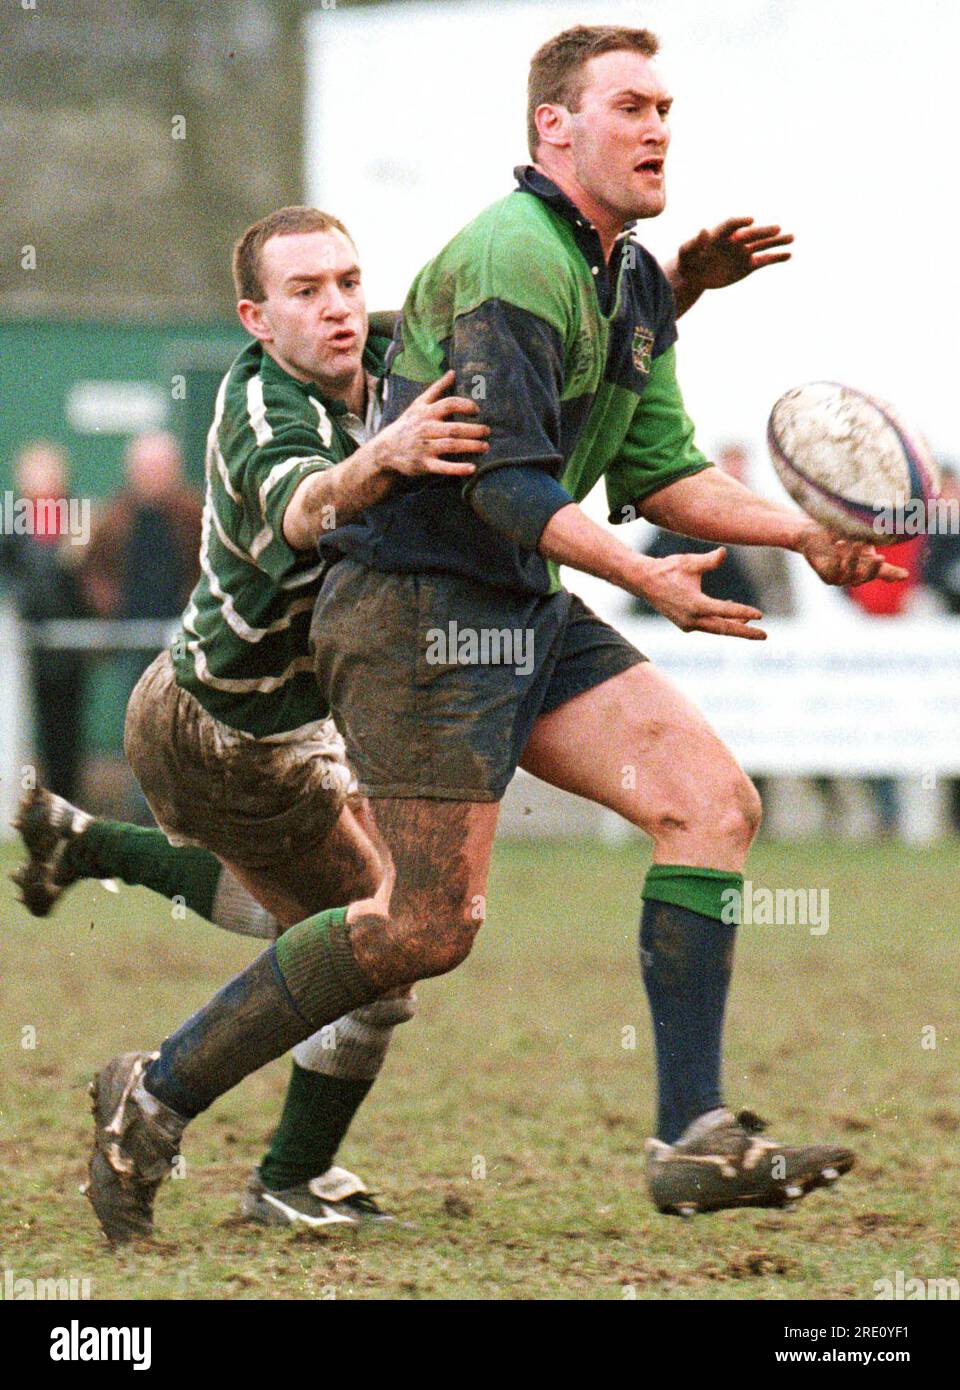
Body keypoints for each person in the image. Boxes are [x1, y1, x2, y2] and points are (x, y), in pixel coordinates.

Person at [81, 26, 903, 1236]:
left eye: (667, 107)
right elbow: (508, 484)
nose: (659, 126)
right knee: (425, 927)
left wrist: (800, 536)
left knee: (711, 803)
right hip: (417, 610)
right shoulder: (512, 250)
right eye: (630, 106)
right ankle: (153, 1094)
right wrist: (650, 582)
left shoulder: (622, 278)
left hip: (517, 601)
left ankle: (692, 1136)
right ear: (553, 128)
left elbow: (664, 470)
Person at [22, 196, 790, 1241]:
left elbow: (540, 370)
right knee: (382, 938)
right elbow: (304, 506)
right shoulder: (259, 408)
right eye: (305, 293)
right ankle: (167, 1100)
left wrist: (676, 290)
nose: (338, 308)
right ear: (256, 319)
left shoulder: (393, 356)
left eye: (346, 282)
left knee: (384, 939)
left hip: (321, 718)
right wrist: (378, 460)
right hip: (224, 729)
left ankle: (243, 1131)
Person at [0, 443, 89, 802]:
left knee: (65, 734)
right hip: (21, 648)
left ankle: (65, 805)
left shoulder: (79, 516)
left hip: (68, 651)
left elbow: (89, 581)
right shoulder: (11, 520)